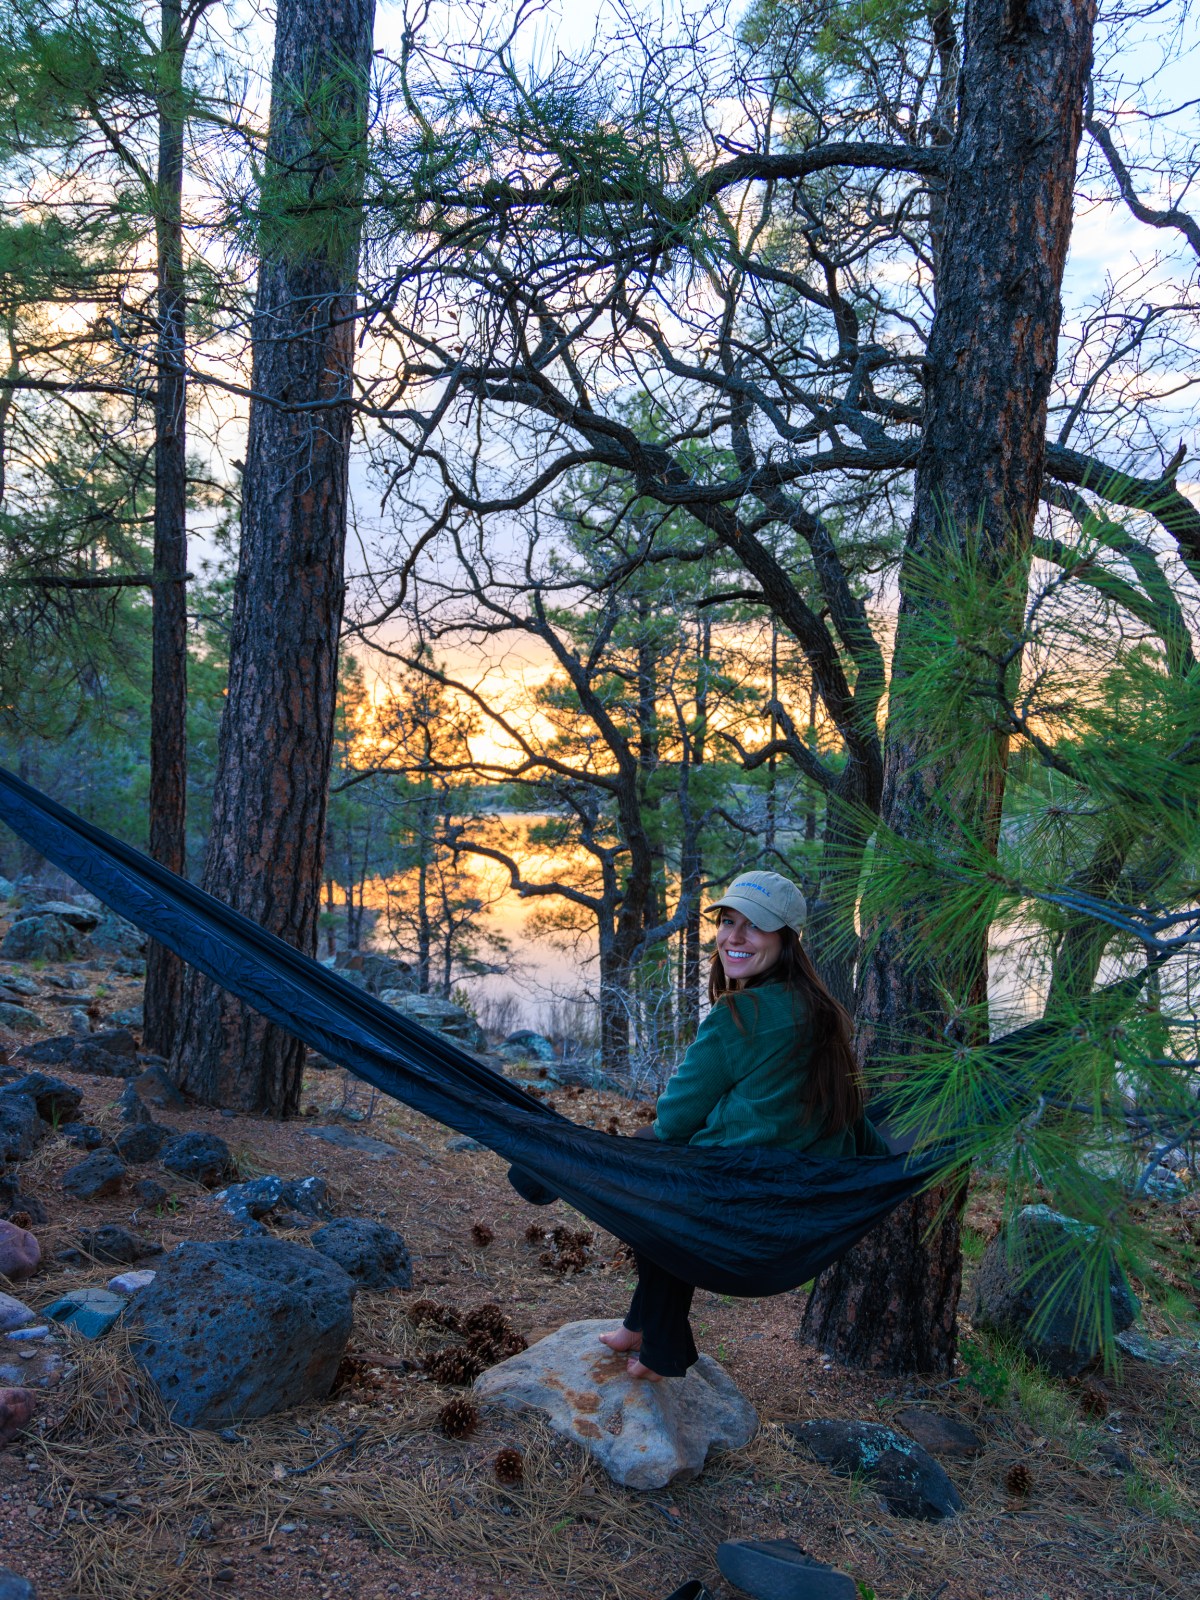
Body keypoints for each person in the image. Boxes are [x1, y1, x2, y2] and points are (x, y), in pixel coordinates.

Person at [599, 869, 886, 1380]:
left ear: (786, 939)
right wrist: (882, 1170)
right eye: (728, 921)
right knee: (656, 1168)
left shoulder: (740, 1018)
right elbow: (853, 1111)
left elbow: (674, 1119)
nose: (734, 937)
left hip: (747, 1194)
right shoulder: (823, 1010)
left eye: (754, 926)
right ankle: (641, 1323)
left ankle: (662, 1346)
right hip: (804, 1188)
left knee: (647, 1173)